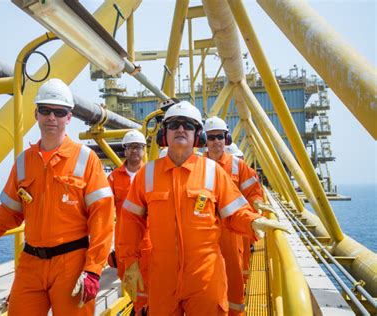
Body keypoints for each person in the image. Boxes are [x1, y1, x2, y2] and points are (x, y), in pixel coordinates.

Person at [0, 78, 114, 316]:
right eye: (46, 111)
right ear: (36, 113)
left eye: (59, 112)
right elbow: (9, 211)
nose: (52, 117)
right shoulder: (24, 162)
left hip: (72, 263)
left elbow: (102, 218)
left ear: (69, 117)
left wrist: (92, 270)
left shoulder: (86, 159)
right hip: (31, 262)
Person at [118, 101, 287, 315]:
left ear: (198, 136)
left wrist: (252, 221)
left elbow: (234, 212)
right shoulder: (147, 174)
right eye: (174, 124)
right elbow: (130, 221)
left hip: (204, 274)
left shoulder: (212, 171)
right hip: (162, 276)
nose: (181, 129)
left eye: (188, 125)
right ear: (164, 134)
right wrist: (129, 261)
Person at [204, 118, 274, 315]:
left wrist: (257, 202)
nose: (216, 141)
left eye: (220, 136)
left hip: (231, 232)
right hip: (204, 233)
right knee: (206, 282)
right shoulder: (198, 166)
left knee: (234, 280)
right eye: (211, 137)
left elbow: (252, 190)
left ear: (226, 139)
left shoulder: (237, 166)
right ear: (204, 140)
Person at [107, 130, 150, 315]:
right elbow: (104, 208)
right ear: (125, 150)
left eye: (138, 147)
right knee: (131, 282)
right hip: (125, 242)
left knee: (151, 281)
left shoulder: (152, 174)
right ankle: (139, 307)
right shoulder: (113, 177)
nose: (135, 151)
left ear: (144, 150)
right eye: (131, 147)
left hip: (150, 239)